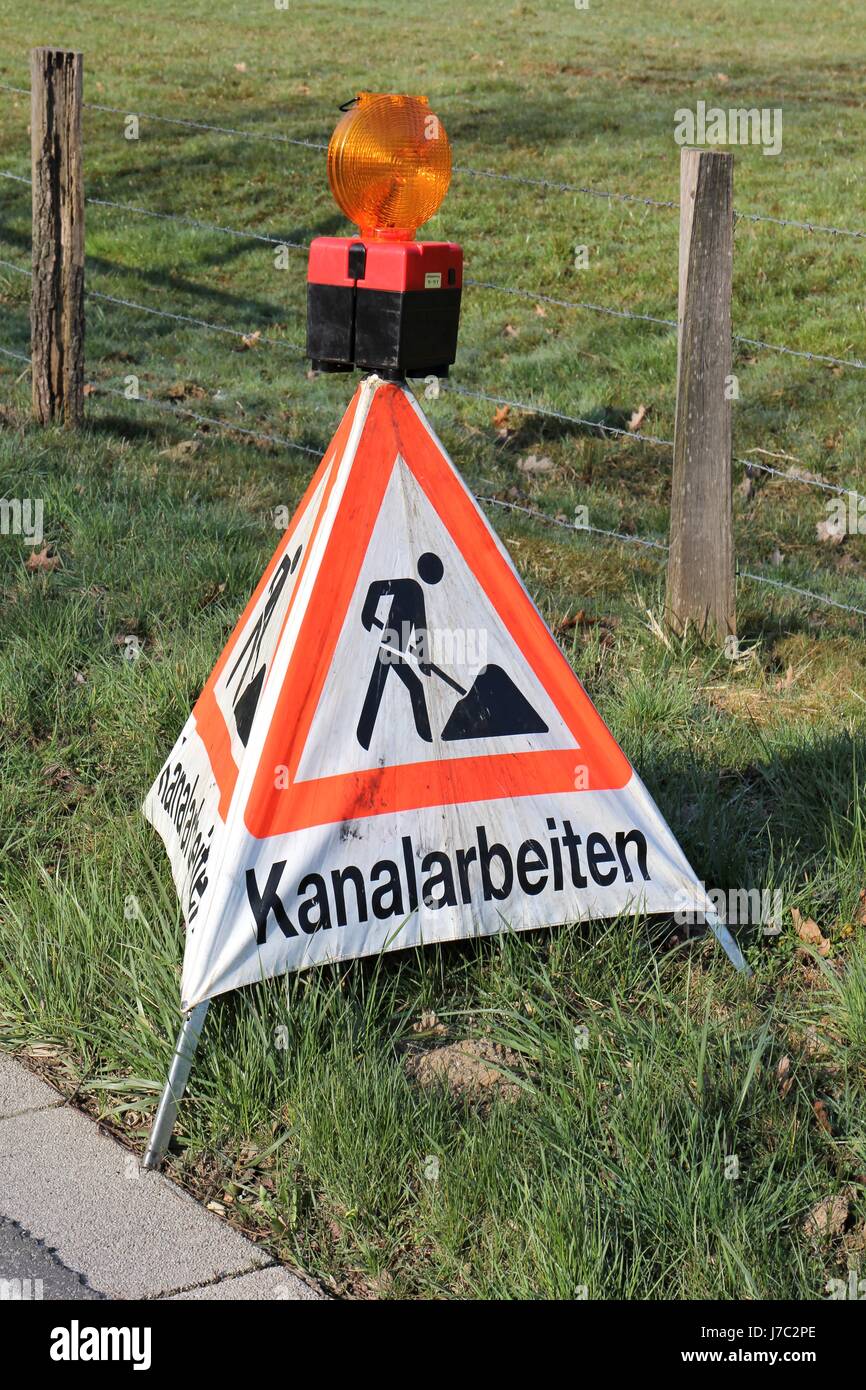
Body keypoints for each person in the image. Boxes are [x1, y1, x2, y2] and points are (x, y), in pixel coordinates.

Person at [356, 552, 444, 750]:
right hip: (389, 646)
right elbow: (376, 588)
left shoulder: (417, 591)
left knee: (392, 685)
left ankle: (424, 736)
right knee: (388, 686)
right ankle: (365, 735)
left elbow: (421, 629)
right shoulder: (409, 586)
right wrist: (367, 615)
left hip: (397, 649)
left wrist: (424, 660)